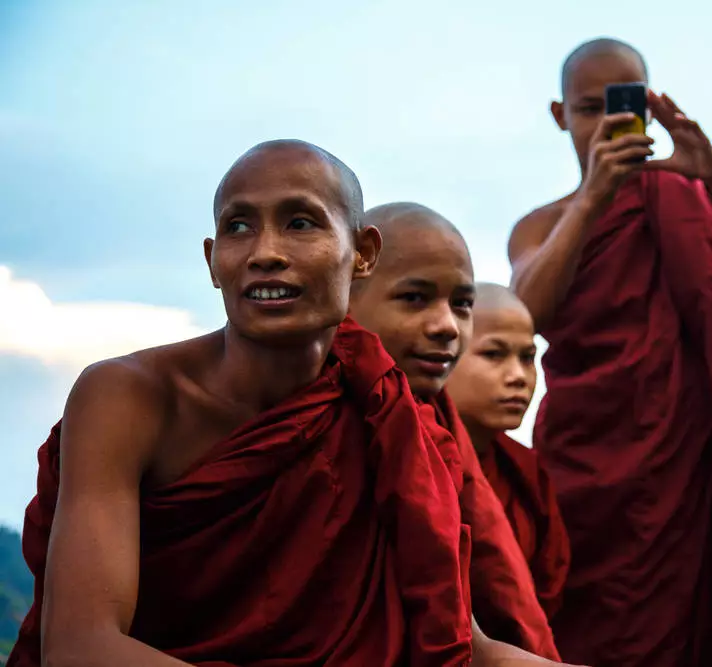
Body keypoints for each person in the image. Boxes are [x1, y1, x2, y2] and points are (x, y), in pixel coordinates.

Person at [9, 140, 479, 667]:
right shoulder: (130, 397)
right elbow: (81, 648)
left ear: (364, 253)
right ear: (213, 263)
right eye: (238, 227)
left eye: (301, 223)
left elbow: (465, 645)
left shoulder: (388, 418)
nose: (265, 253)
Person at [507, 38, 712, 666]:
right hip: (587, 466)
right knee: (575, 626)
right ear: (560, 116)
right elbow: (529, 309)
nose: (605, 124)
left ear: (652, 108)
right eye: (588, 109)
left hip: (698, 460)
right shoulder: (543, 222)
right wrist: (591, 202)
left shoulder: (698, 199)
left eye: (622, 105)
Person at [349, 203, 568, 664]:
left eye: (462, 305)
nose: (446, 326)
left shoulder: (438, 439)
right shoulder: (314, 422)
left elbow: (475, 630)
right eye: (413, 298)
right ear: (346, 292)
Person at [447, 282, 570, 620]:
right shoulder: (414, 459)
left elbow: (545, 592)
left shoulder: (525, 471)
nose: (518, 377)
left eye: (527, 357)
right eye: (494, 354)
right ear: (445, 352)